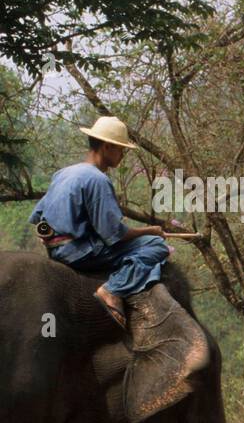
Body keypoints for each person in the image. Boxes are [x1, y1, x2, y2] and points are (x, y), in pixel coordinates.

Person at [29, 116, 170, 329]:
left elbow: (39, 219)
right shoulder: (98, 180)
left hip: (56, 251)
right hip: (79, 253)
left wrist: (50, 238)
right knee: (156, 246)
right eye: (121, 150)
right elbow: (114, 234)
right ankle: (113, 289)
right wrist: (150, 230)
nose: (122, 155)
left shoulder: (64, 173)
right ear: (107, 146)